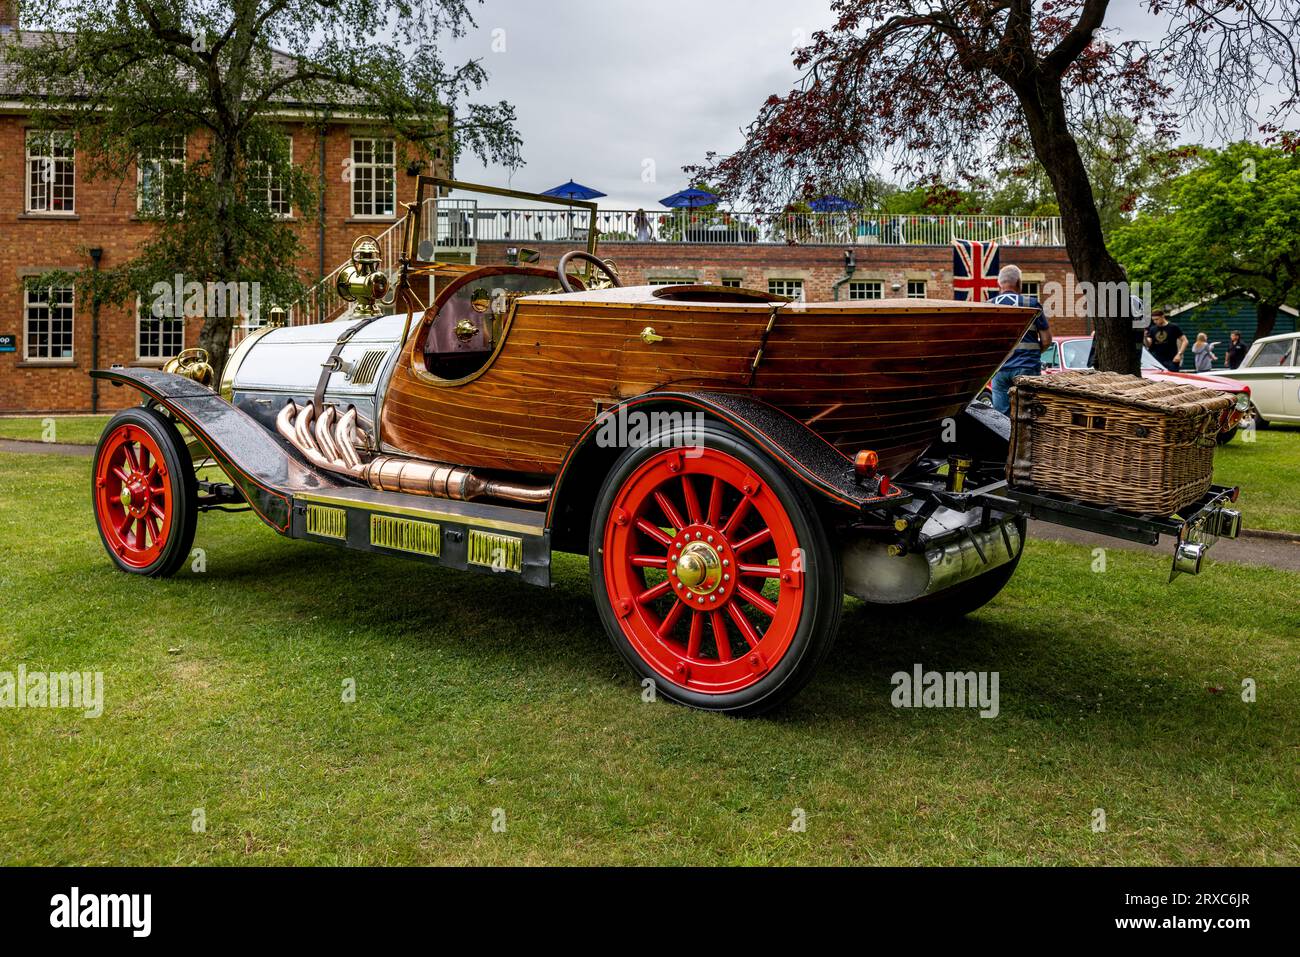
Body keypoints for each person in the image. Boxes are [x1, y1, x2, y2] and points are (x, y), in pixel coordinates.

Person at [989, 264, 1051, 415]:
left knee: (1001, 419)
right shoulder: (1031, 305)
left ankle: (1004, 439)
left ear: (999, 284)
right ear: (1019, 283)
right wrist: (1034, 353)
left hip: (1000, 370)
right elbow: (1046, 340)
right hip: (1027, 367)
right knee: (1028, 415)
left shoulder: (988, 306)